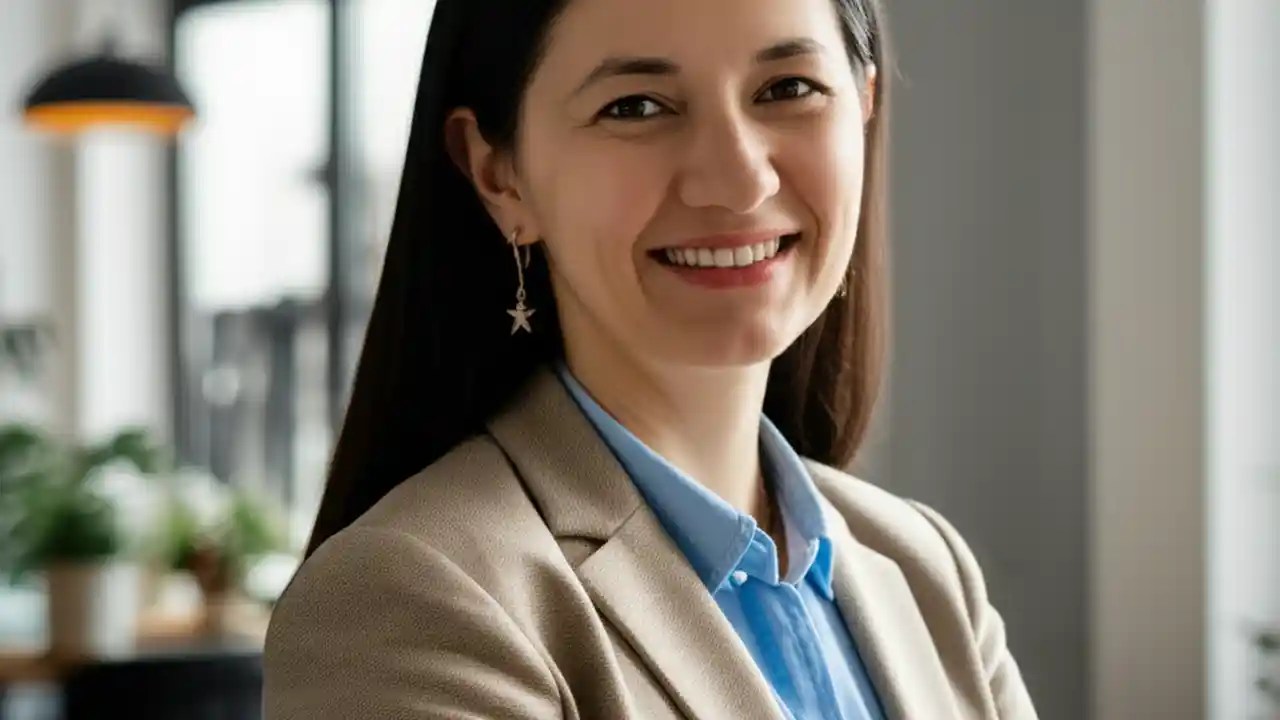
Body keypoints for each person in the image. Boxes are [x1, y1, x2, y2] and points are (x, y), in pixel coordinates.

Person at [264, 0, 1038, 717]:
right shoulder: (410, 601)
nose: (739, 181)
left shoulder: (925, 568)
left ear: (864, 109)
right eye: (635, 106)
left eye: (789, 87)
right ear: (500, 175)